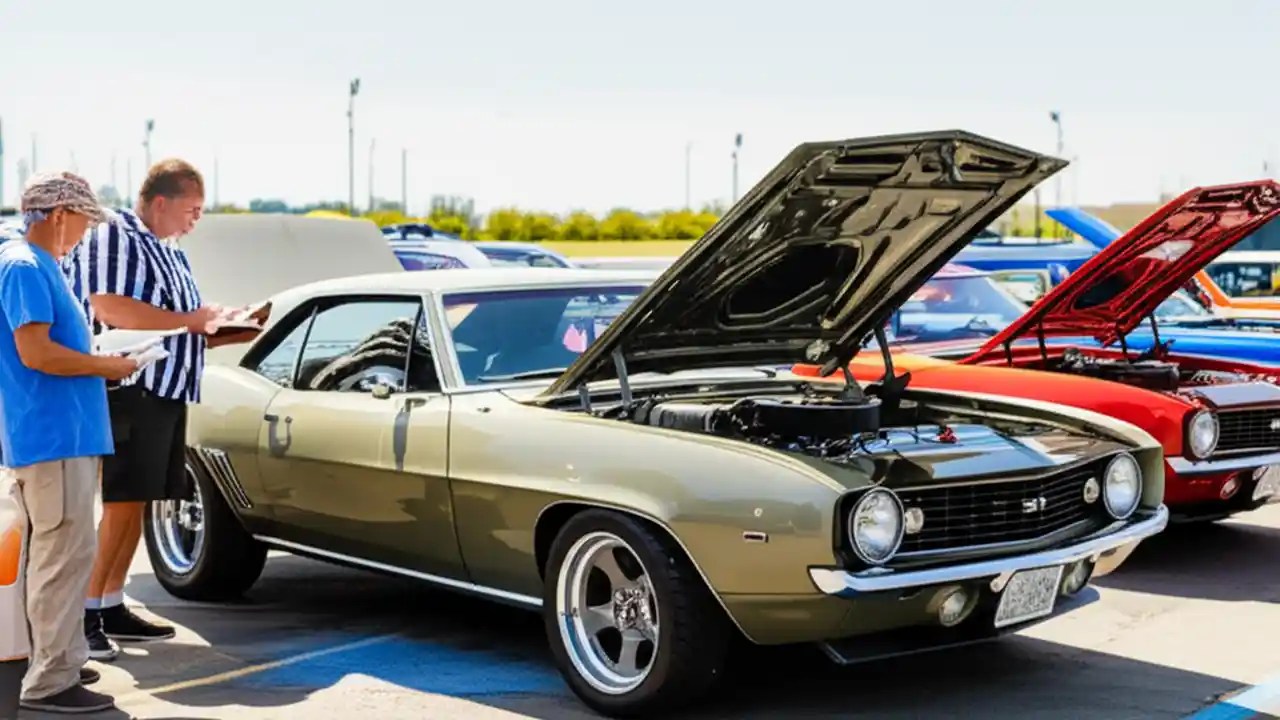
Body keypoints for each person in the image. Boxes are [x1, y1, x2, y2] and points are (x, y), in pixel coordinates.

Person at [62, 159, 232, 661]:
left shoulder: (167, 245)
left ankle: (111, 602)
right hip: (130, 387)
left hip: (164, 388)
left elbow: (177, 320)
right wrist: (191, 321)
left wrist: (216, 324)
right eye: (192, 210)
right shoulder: (116, 234)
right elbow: (109, 306)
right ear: (161, 202)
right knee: (119, 502)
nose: (195, 221)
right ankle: (84, 615)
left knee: (139, 499)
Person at [0, 173, 137, 714]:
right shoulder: (27, 267)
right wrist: (108, 365)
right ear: (59, 214)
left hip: (56, 437)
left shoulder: (31, 265)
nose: (84, 233)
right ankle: (51, 683)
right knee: (62, 558)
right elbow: (37, 354)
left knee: (58, 557)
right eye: (82, 220)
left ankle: (54, 661)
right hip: (52, 439)